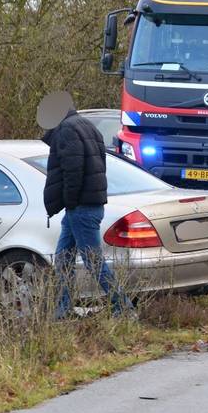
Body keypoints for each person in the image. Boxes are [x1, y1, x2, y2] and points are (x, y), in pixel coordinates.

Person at [40, 92, 133, 318]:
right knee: (63, 259)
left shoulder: (67, 130)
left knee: (93, 261)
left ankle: (123, 307)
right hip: (88, 205)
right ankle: (62, 310)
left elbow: (73, 171)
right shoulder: (87, 126)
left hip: (80, 208)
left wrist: (70, 201)